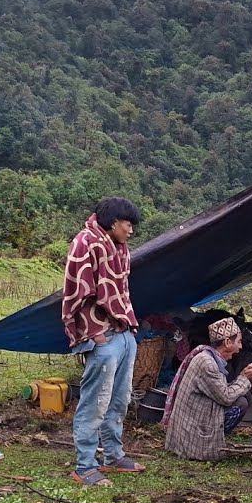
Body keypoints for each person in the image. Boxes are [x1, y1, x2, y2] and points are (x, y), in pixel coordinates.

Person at [62, 197, 145, 486]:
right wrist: (93, 333)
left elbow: (121, 290)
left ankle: (113, 455)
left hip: (122, 332)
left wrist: (127, 328)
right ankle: (84, 466)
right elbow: (76, 292)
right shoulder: (86, 243)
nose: (130, 231)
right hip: (102, 336)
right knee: (95, 401)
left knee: (119, 399)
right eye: (127, 224)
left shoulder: (120, 248)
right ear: (112, 222)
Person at [164, 317, 252, 461]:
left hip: (197, 416)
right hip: (192, 432)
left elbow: (220, 391)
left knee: (245, 396)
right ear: (227, 342)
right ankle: (211, 444)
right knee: (241, 402)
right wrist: (245, 378)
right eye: (238, 342)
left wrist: (244, 380)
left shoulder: (208, 357)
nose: (241, 347)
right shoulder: (207, 364)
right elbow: (226, 397)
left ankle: (217, 437)